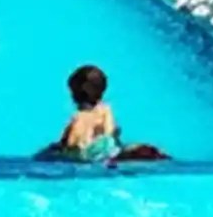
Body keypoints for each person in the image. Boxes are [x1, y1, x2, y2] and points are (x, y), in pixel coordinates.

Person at [37, 65, 168, 163]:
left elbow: (74, 146)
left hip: (92, 154)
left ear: (75, 94)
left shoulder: (79, 118)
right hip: (110, 149)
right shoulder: (106, 110)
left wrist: (60, 147)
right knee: (126, 151)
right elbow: (111, 135)